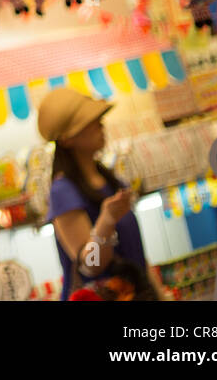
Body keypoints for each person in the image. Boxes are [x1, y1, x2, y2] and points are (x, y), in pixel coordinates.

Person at [37, 87, 154, 300]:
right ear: (66, 139)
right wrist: (106, 222)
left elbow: (136, 259)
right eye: (89, 121)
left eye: (98, 118)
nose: (100, 124)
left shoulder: (108, 179)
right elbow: (91, 267)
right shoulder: (63, 190)